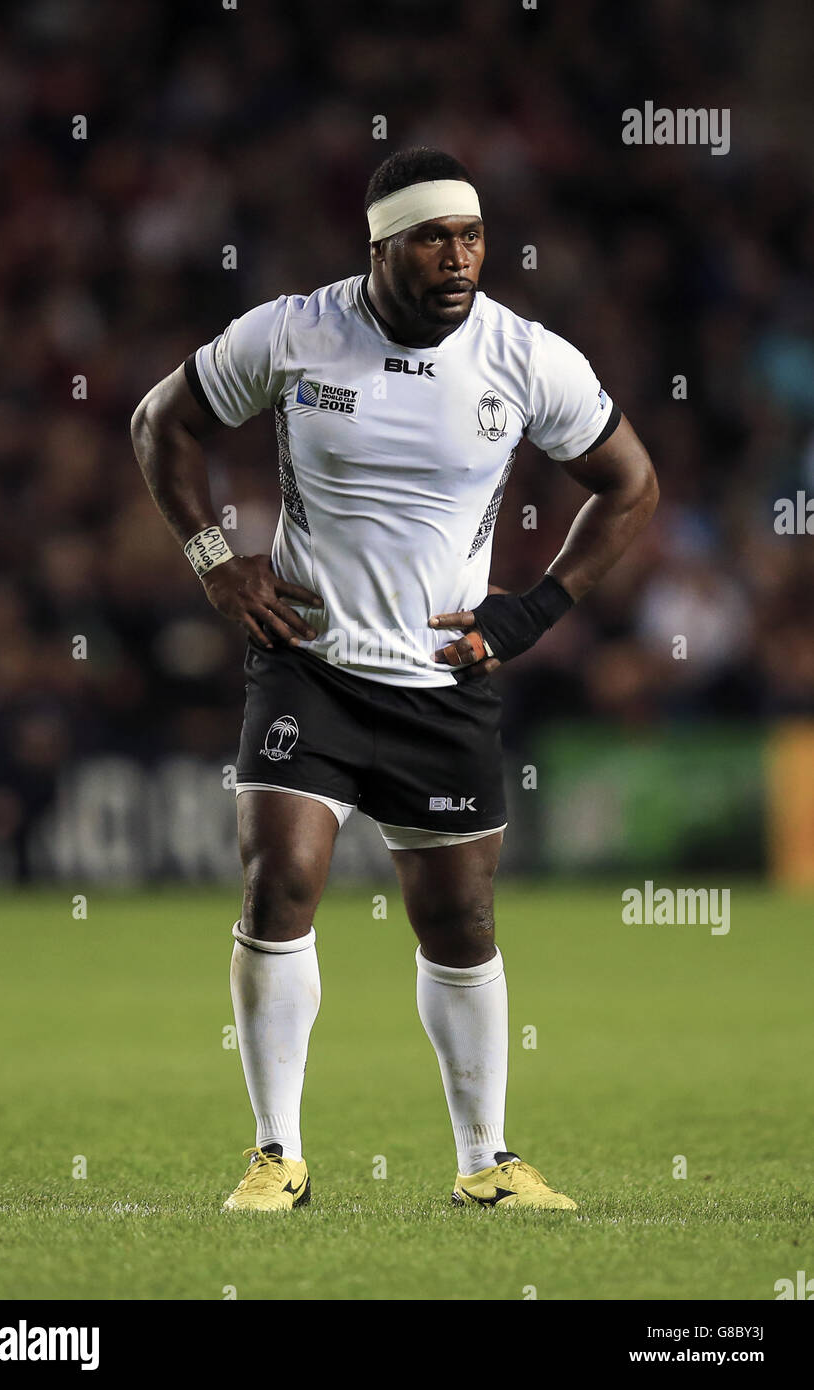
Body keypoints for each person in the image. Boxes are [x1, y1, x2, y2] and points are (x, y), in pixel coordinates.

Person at [131, 147, 658, 1212]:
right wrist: (213, 563)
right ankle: (275, 1153)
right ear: (379, 248)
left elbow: (629, 484)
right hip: (307, 664)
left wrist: (534, 609)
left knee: (460, 923)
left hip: (442, 679)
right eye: (430, 238)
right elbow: (161, 422)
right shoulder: (292, 332)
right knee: (277, 880)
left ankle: (485, 1163)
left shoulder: (524, 357)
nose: (456, 257)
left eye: (468, 237)